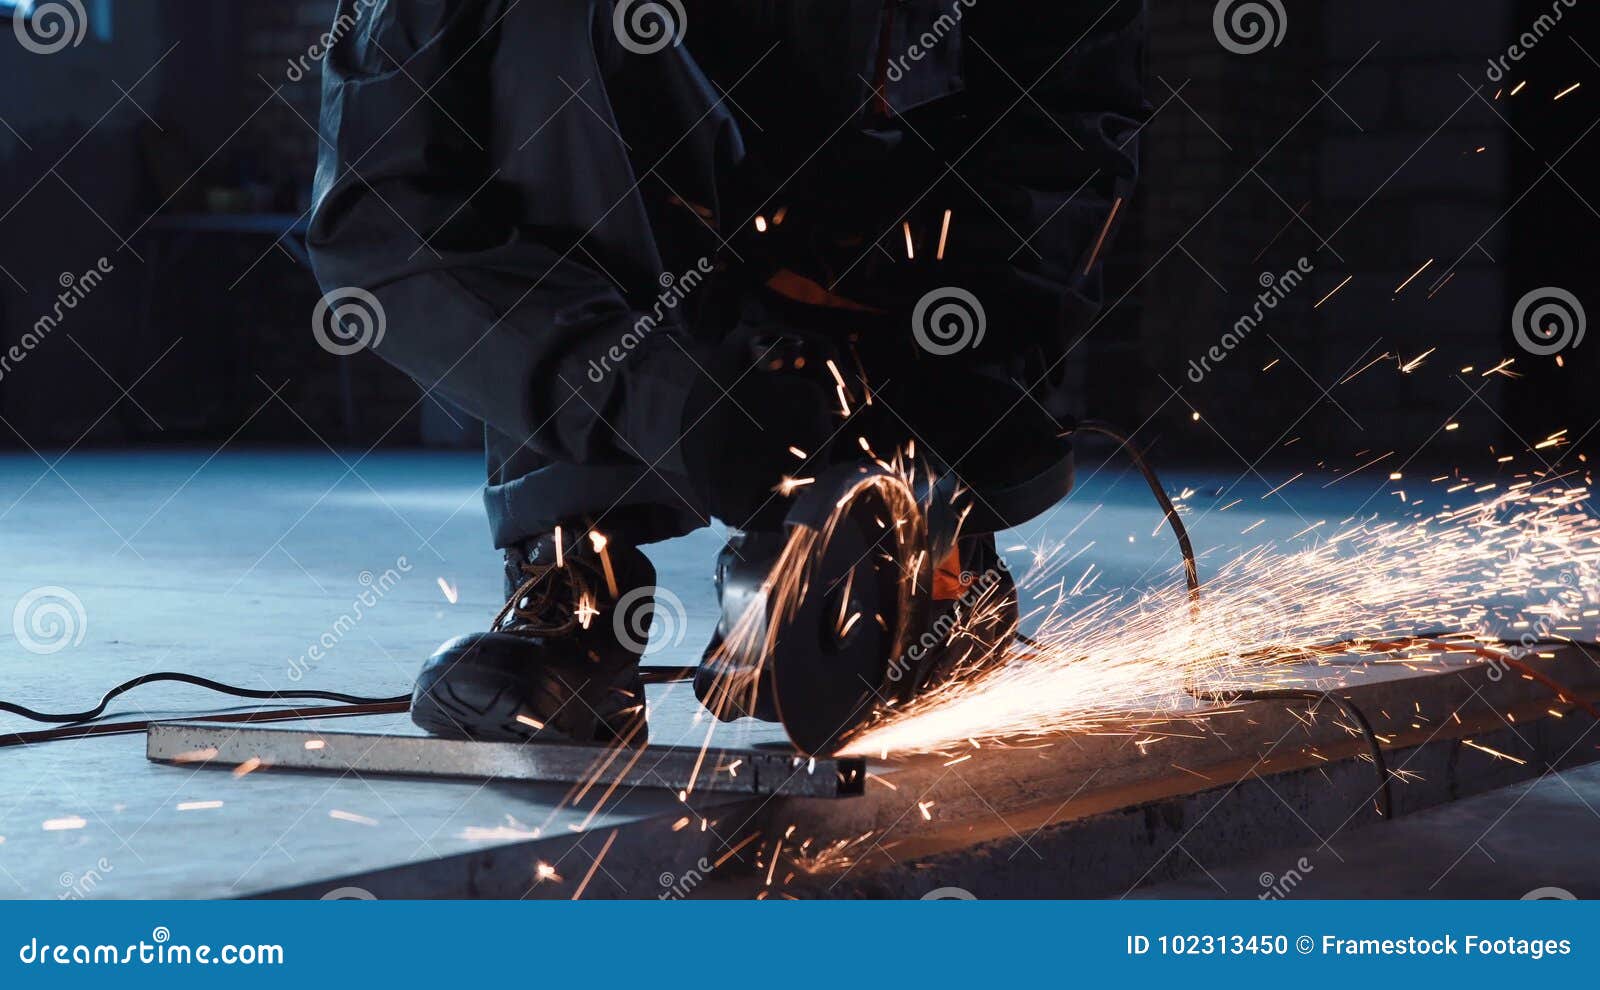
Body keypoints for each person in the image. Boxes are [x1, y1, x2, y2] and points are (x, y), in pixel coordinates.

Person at [307, 0, 1148, 743]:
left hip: (872, 253)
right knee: (551, 35)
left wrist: (982, 355)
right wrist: (672, 406)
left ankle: (922, 544)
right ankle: (576, 575)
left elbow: (1067, 116)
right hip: (639, 272)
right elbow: (378, 217)